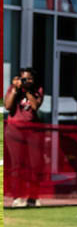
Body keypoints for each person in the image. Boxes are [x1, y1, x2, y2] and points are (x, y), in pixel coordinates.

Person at [5, 68, 45, 207]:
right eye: (24, 78)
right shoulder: (14, 88)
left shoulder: (38, 90)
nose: (26, 81)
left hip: (32, 131)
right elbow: (8, 105)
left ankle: (33, 197)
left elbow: (34, 106)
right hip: (14, 131)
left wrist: (27, 91)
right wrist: (16, 90)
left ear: (33, 80)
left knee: (34, 164)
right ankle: (17, 197)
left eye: (29, 79)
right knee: (17, 165)